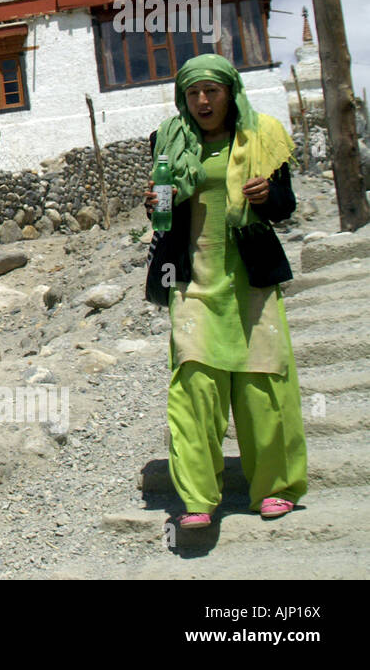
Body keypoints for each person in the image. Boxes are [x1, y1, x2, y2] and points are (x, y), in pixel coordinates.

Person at [142, 53, 307, 529]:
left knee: (262, 384)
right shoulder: (167, 140)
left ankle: (275, 487)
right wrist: (155, 202)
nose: (202, 101)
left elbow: (284, 207)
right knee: (193, 386)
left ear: (230, 92)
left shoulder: (264, 136)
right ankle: (198, 498)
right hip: (193, 279)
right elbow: (162, 215)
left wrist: (266, 196)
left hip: (249, 278)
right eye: (193, 93)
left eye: (211, 91)